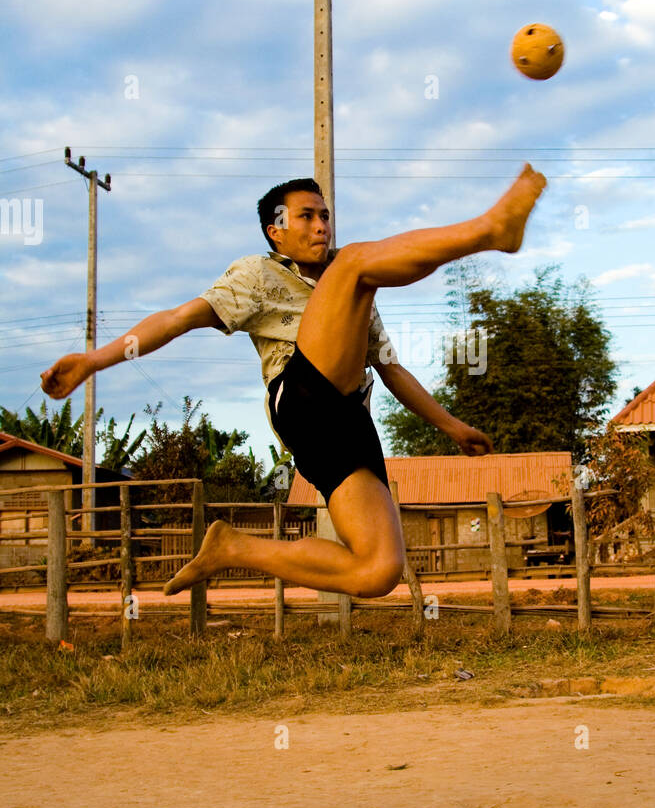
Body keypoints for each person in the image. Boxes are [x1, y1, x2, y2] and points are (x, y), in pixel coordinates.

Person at [40, 164, 546, 596]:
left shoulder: (356, 286)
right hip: (301, 398)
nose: (321, 225)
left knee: (378, 569)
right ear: (275, 232)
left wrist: (453, 427)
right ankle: (490, 229)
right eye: (307, 216)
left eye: (325, 214)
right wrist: (94, 361)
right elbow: (176, 318)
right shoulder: (259, 275)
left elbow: (390, 367)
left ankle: (235, 547)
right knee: (354, 264)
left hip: (346, 422)